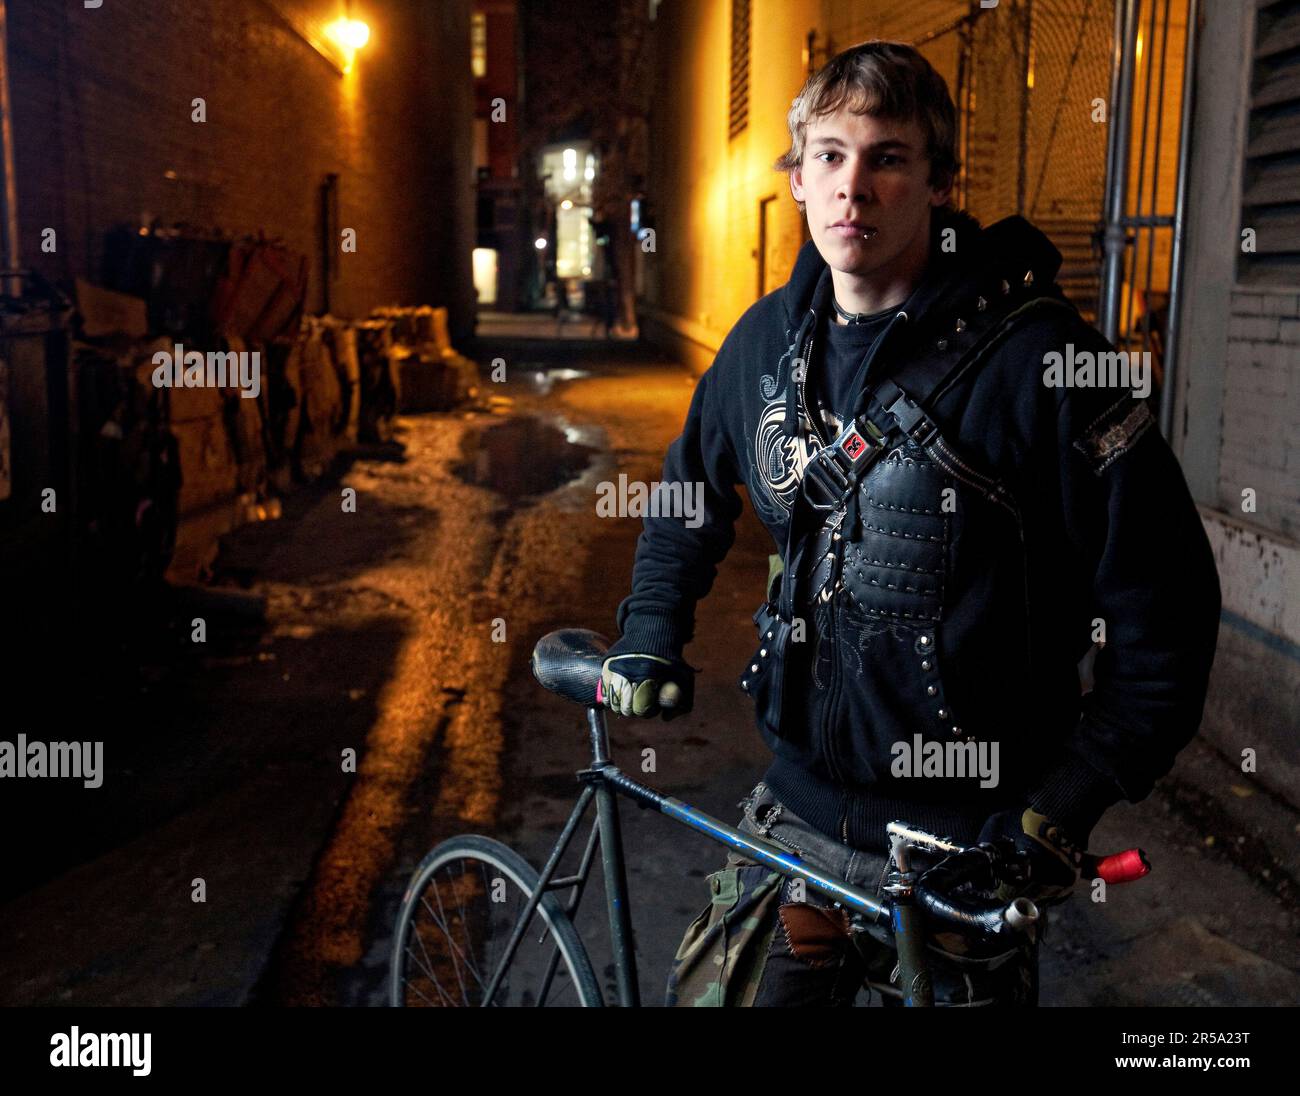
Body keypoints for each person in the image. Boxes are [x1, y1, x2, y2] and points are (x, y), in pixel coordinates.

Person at [599, 40, 1221, 1007]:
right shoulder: (762, 347)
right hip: (796, 821)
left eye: (888, 158)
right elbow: (687, 501)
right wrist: (648, 630)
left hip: (964, 848)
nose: (854, 186)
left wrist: (1068, 800)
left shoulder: (1048, 366)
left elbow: (1167, 607)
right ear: (797, 178)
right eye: (830, 155)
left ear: (938, 182)